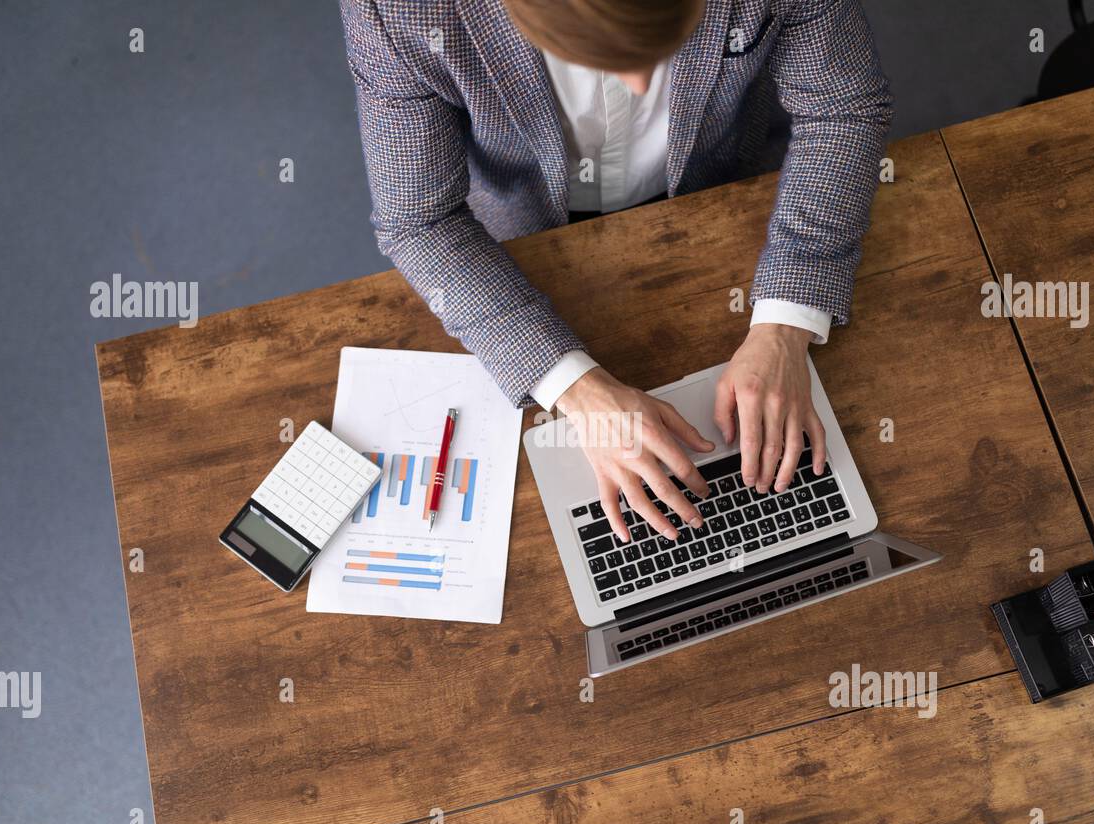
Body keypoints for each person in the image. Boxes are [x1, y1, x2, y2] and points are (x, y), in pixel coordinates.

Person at [339, 0, 892, 545]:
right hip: (536, 225)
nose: (641, 87)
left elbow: (842, 109)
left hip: (723, 184)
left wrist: (786, 322)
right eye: (603, 62)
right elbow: (420, 219)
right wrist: (574, 388)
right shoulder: (396, 10)